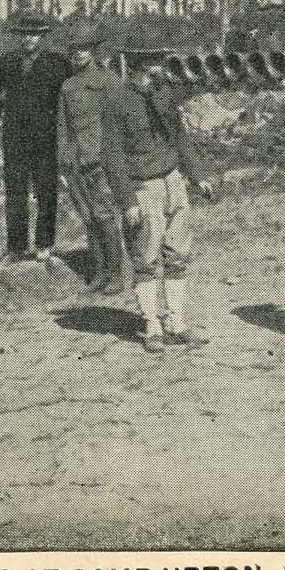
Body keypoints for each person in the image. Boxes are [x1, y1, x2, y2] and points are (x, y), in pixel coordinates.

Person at [108, 46, 214, 351]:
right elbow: (112, 156)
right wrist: (127, 200)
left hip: (173, 182)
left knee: (177, 255)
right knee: (145, 257)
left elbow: (180, 139)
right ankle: (152, 326)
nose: (161, 70)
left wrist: (198, 175)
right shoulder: (118, 102)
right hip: (143, 187)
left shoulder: (164, 96)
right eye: (154, 65)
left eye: (161, 64)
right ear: (139, 67)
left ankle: (176, 324)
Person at [0, 10, 70, 262]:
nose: (29, 39)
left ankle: (44, 245)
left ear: (43, 37)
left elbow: (71, 93)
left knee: (46, 190)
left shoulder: (57, 63)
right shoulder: (9, 61)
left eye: (34, 35)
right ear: (18, 36)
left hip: (46, 137)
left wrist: (62, 120)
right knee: (15, 191)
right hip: (15, 137)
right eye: (24, 34)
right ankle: (16, 247)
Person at [55, 22, 129, 308]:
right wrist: (63, 157)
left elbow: (122, 120)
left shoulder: (109, 81)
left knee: (105, 216)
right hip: (76, 161)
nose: (78, 55)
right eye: (74, 50)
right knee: (88, 217)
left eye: (84, 49)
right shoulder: (67, 86)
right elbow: (62, 126)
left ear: (94, 51)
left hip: (100, 159)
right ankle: (99, 272)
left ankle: (117, 273)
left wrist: (115, 154)